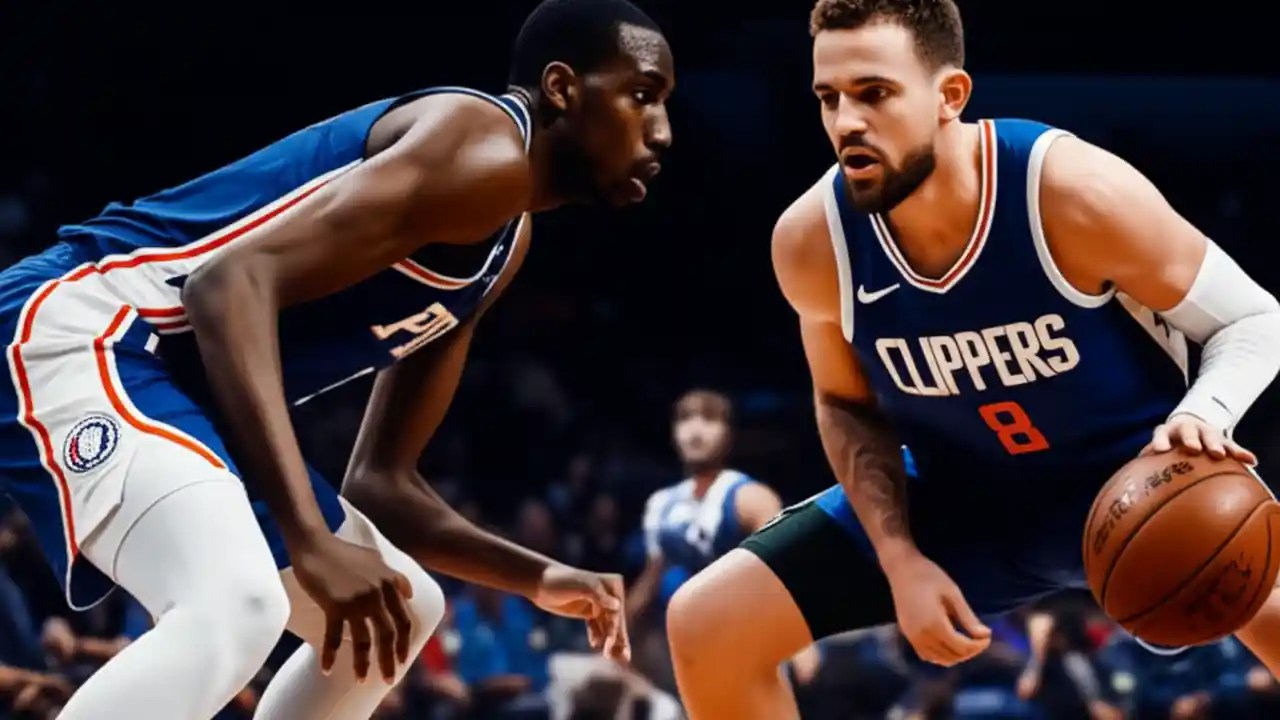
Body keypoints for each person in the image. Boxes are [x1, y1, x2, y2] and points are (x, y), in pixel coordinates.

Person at [0, 0, 674, 717]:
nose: (662, 132)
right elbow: (227, 286)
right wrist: (311, 539)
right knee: (238, 603)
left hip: (177, 380)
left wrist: (537, 575)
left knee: (398, 613)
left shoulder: (506, 240)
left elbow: (381, 480)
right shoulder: (483, 148)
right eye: (641, 95)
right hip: (86, 323)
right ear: (563, 87)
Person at [664, 1, 1280, 718]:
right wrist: (900, 562)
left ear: (949, 96)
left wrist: (1204, 414)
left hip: (1136, 485)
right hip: (959, 499)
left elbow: (1253, 317)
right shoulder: (811, 242)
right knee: (707, 624)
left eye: (874, 93)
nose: (845, 123)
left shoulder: (1068, 191)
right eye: (828, 98)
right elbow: (843, 405)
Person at [626, 389, 782, 622]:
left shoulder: (752, 498)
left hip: (751, 630)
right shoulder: (660, 505)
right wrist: (615, 636)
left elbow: (783, 576)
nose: (695, 431)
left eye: (709, 418)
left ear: (729, 433)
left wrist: (802, 654)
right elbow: (650, 582)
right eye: (685, 418)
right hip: (691, 636)